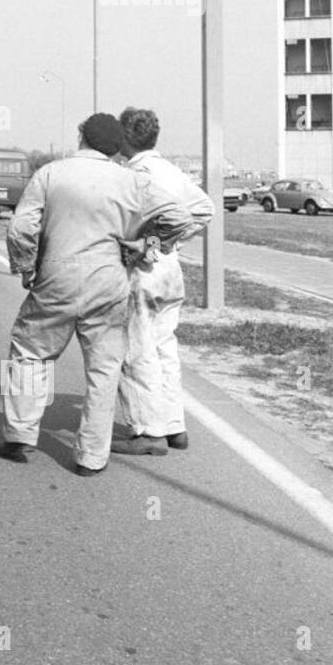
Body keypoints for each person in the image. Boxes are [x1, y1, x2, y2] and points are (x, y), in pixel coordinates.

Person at [0, 113, 195, 476]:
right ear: (118, 146)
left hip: (55, 279)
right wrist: (146, 245)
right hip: (109, 282)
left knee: (31, 353)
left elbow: (21, 227)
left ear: (80, 137)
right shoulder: (133, 181)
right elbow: (181, 219)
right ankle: (91, 457)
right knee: (104, 370)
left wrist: (26, 267)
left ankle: (20, 436)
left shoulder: (50, 174)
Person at [111, 107, 215, 455]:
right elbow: (204, 209)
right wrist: (169, 244)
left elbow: (178, 216)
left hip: (143, 272)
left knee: (136, 348)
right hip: (171, 272)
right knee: (164, 347)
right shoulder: (170, 169)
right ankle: (174, 425)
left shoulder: (134, 174)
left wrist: (150, 244)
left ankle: (147, 432)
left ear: (126, 138)